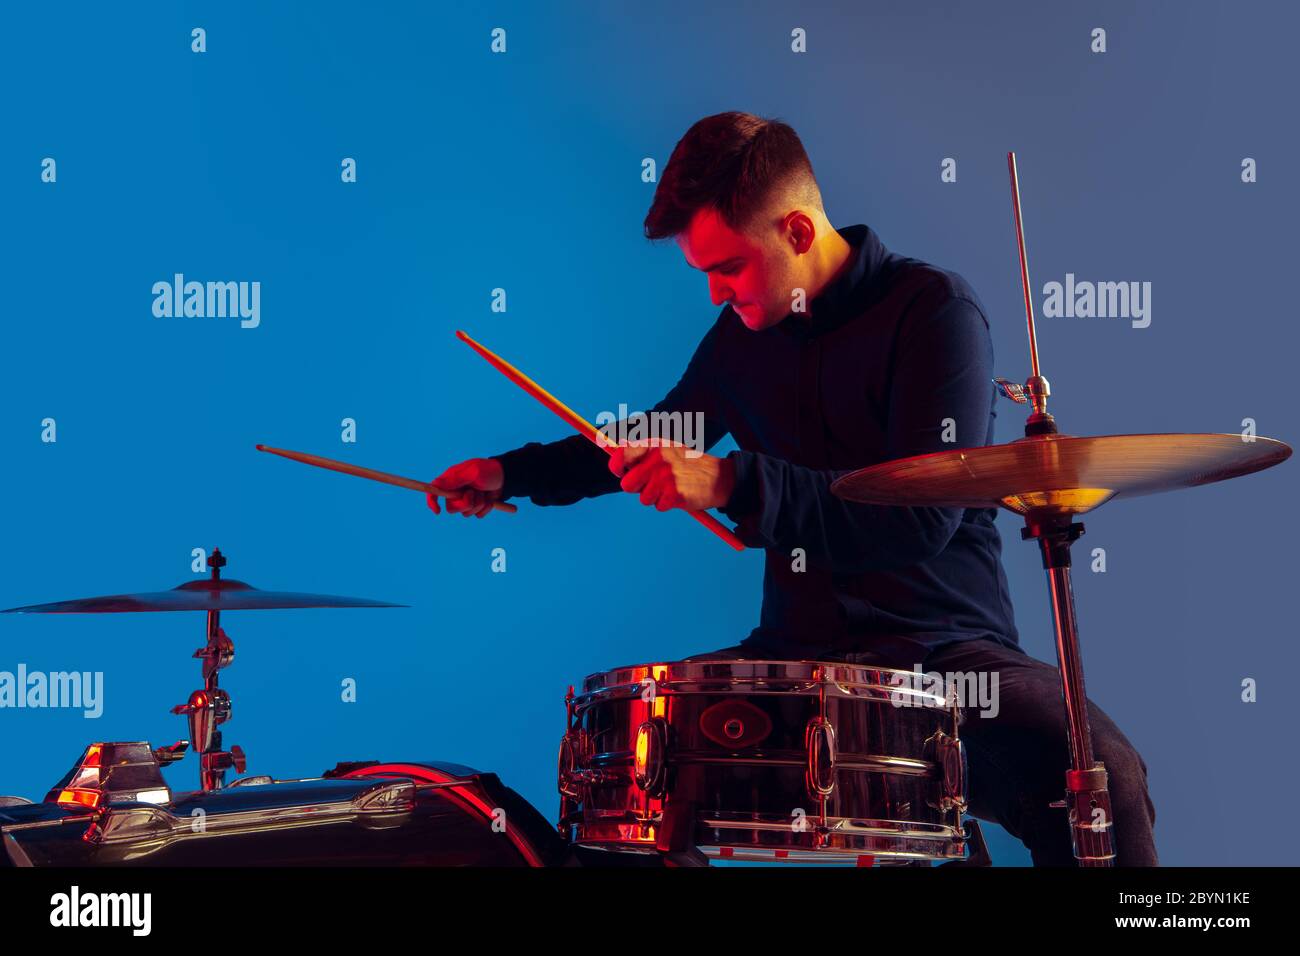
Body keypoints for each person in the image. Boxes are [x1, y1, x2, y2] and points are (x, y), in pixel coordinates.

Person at [427, 111, 1157, 866]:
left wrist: (733, 482)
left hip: (946, 657)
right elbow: (653, 439)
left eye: (730, 267)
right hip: (797, 654)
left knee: (1106, 777)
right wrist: (512, 473)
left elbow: (922, 518)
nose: (715, 293)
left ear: (799, 233)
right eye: (705, 272)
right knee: (636, 770)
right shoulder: (741, 339)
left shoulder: (935, 312)